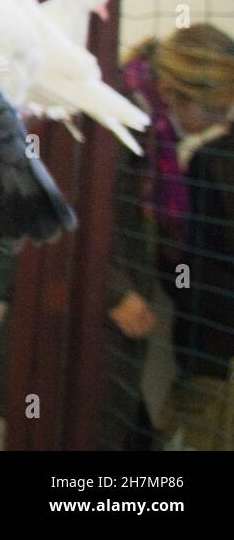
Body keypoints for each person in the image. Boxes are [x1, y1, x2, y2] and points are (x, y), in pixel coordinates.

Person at [106, 24, 234, 449]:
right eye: (213, 111)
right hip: (80, 329)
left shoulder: (160, 140)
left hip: (112, 337)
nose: (216, 124)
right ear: (178, 92)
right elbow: (72, 220)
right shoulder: (128, 120)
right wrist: (117, 293)